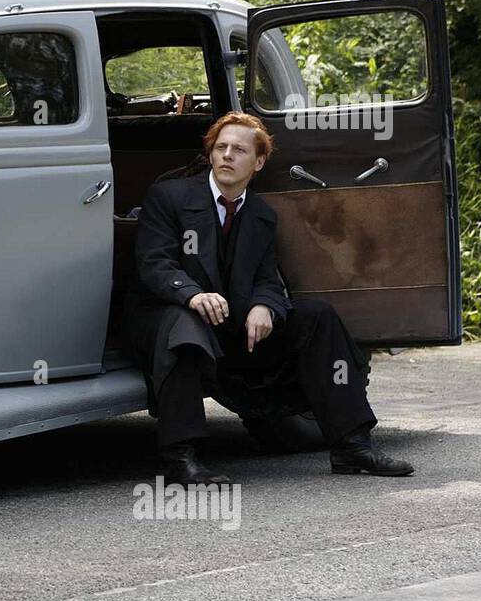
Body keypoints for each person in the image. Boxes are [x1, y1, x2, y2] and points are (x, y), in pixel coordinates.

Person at [122, 111, 414, 484]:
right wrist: (193, 295)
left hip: (229, 322)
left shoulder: (260, 214)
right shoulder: (170, 197)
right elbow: (154, 264)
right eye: (221, 147)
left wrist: (265, 306)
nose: (227, 155)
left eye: (239, 150)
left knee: (317, 318)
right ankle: (183, 457)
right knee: (185, 327)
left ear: (258, 162)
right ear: (210, 154)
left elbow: (268, 279)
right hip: (166, 314)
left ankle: (352, 445)